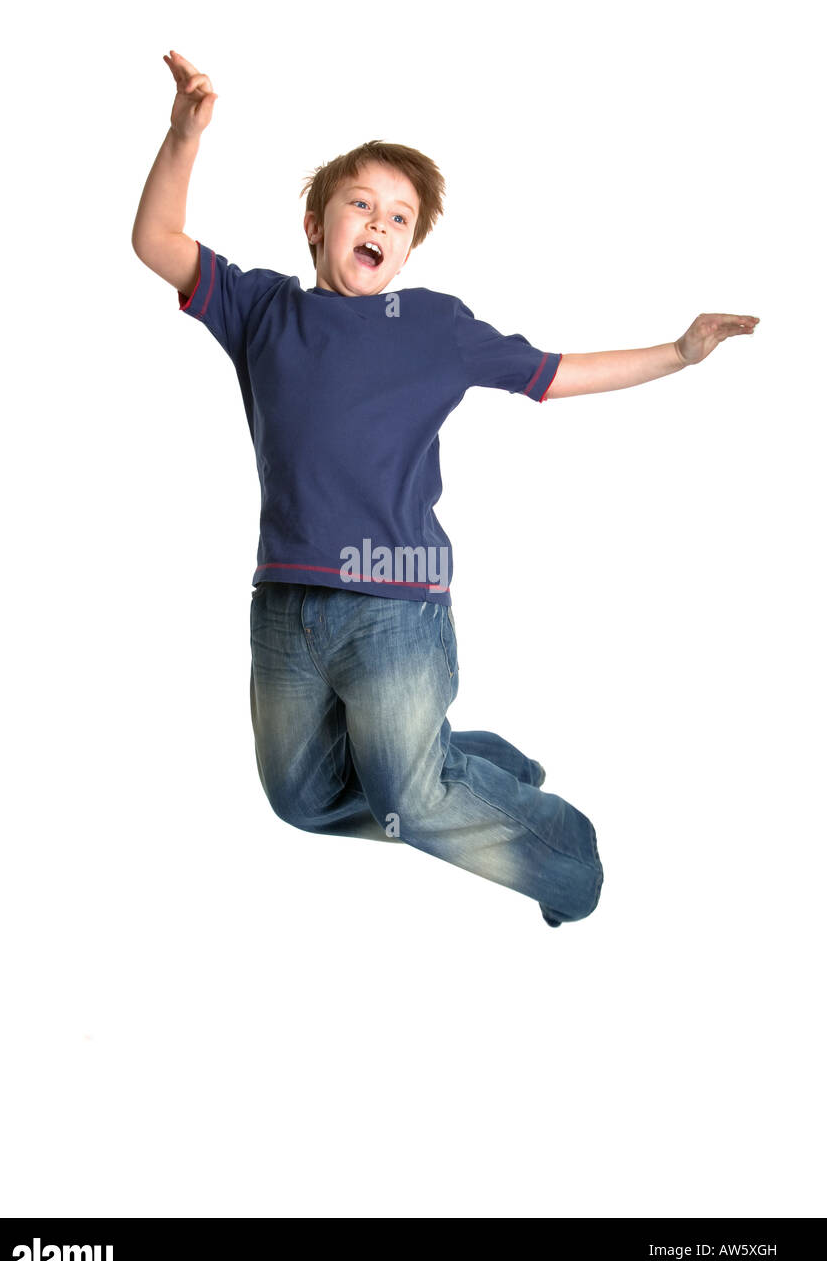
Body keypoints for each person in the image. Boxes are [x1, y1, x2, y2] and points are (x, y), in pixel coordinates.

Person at [132, 49, 760, 928]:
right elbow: (155, 241)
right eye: (361, 203)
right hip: (283, 604)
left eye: (400, 216)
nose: (379, 222)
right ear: (316, 224)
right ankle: (461, 765)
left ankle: (569, 865)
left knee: (413, 800)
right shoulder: (261, 309)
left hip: (394, 608)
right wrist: (182, 135)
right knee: (301, 799)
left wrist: (676, 353)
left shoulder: (432, 326)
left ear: (407, 246)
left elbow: (554, 373)